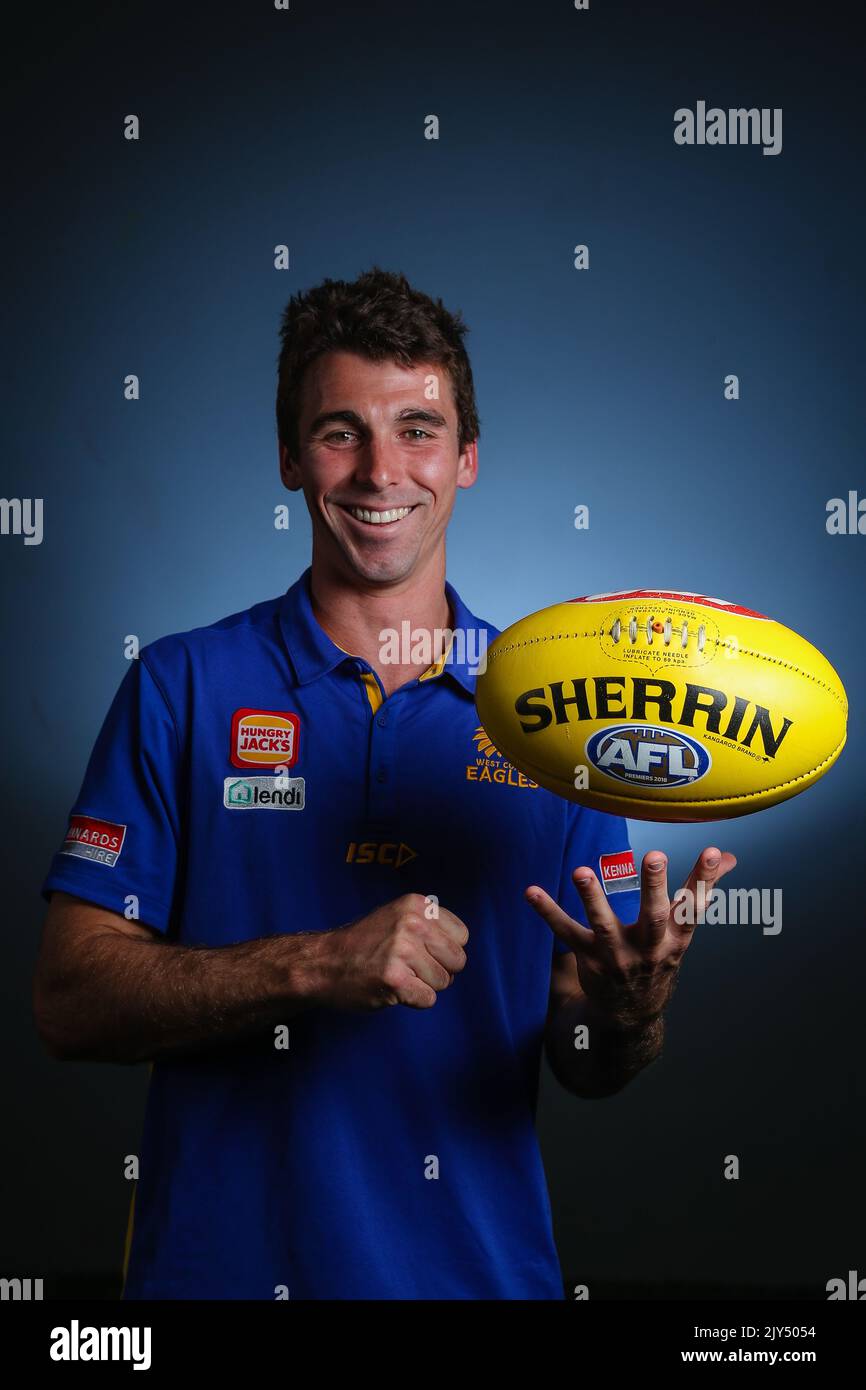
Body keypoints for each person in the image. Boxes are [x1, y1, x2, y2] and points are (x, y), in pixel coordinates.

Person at [34, 267, 735, 1300]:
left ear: (466, 457)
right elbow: (68, 1001)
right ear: (287, 458)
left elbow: (583, 1059)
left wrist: (630, 1009)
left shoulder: (560, 712)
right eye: (338, 431)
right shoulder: (181, 684)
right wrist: (316, 965)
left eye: (416, 428)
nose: (378, 470)